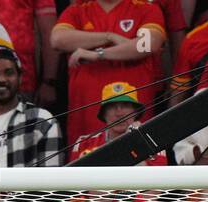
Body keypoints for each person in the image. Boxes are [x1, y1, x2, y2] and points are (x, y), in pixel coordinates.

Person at [52, 0, 166, 144]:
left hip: (133, 110)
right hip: (87, 112)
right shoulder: (77, 10)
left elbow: (148, 44)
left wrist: (98, 54)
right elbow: (57, 40)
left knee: (139, 158)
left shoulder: (146, 8)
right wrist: (109, 37)